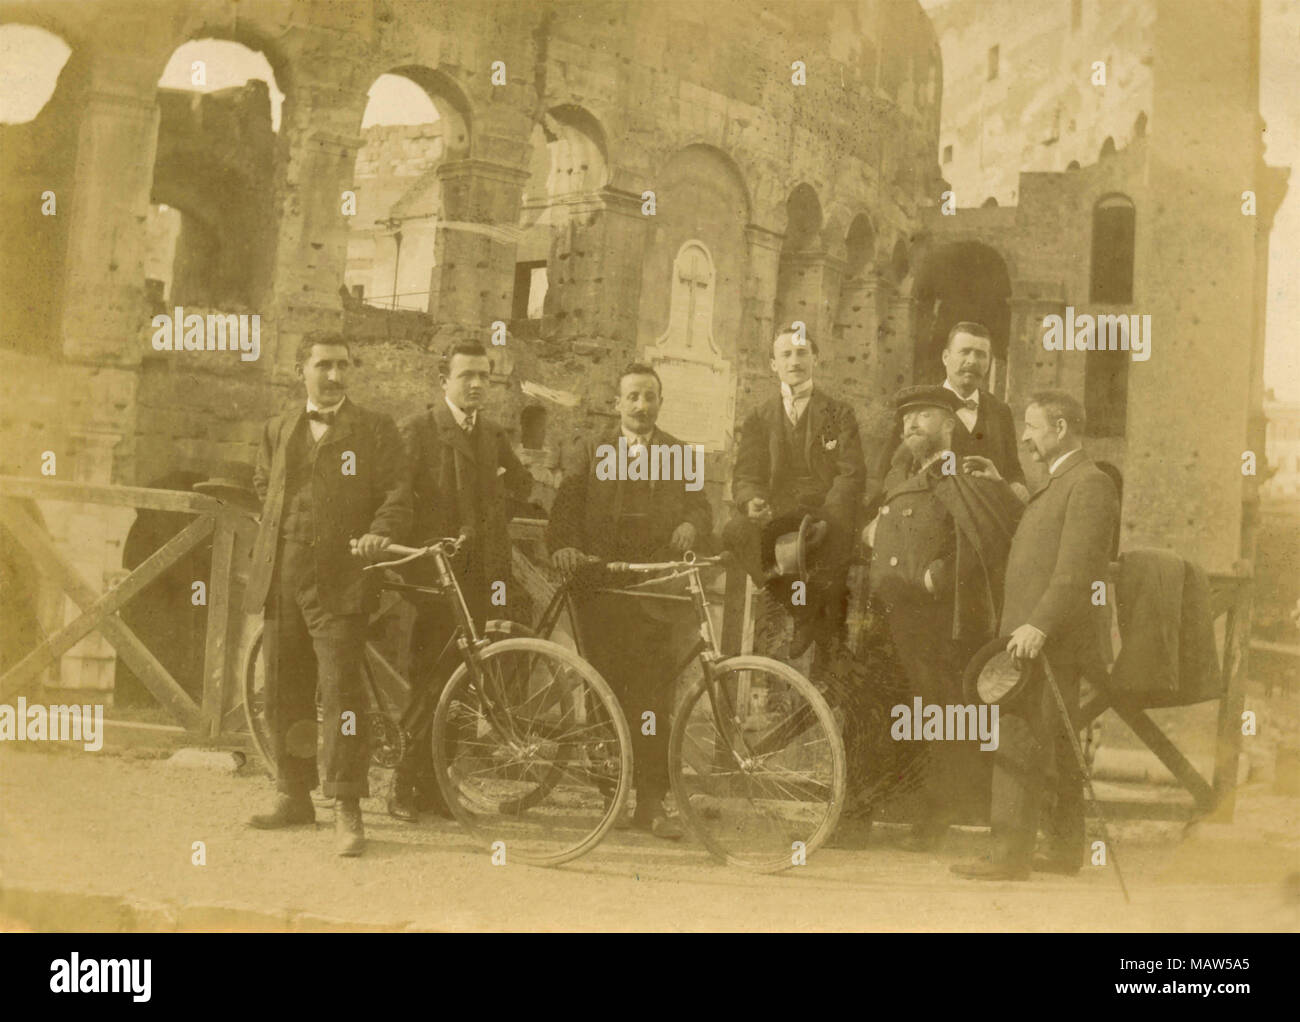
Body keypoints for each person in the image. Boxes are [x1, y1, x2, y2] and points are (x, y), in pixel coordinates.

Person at [245, 332, 411, 857]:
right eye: (323, 365)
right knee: (282, 689)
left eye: (343, 365)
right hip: (282, 575)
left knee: (342, 696)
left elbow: (397, 493)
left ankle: (347, 808)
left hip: (342, 577)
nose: (335, 375)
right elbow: (261, 483)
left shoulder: (376, 430)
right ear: (302, 370)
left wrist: (379, 531)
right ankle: (292, 795)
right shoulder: (277, 429)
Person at [952, 390, 1119, 880]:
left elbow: (1076, 569)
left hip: (1047, 637)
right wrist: (1005, 488)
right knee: (1060, 744)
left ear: (1061, 427)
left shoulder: (1089, 483)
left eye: (1032, 426)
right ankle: (1066, 849)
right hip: (1046, 635)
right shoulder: (1062, 482)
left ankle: (1007, 857)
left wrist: (1038, 624)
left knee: (1018, 738)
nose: (1024, 436)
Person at [548, 363, 713, 838]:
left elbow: (702, 507)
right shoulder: (592, 450)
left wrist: (692, 526)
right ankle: (611, 797)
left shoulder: (678, 454)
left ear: (660, 402)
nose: (641, 406)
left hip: (654, 590)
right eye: (633, 397)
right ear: (617, 404)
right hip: (602, 589)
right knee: (603, 693)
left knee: (651, 700)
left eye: (650, 397)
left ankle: (652, 804)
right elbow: (566, 508)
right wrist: (562, 545)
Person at [865, 386, 1021, 850]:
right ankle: (905, 807)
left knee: (943, 712)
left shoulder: (965, 473)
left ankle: (939, 817)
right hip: (898, 615)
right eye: (908, 417)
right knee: (909, 710)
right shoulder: (905, 476)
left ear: (950, 425)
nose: (912, 424)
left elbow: (984, 538)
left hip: (940, 618)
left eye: (925, 417)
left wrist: (941, 578)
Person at [388, 342, 534, 822]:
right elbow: (395, 498)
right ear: (443, 379)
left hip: (477, 574)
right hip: (431, 575)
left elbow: (523, 485)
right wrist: (426, 542)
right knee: (427, 681)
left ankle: (435, 787)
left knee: (460, 682)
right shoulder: (418, 430)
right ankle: (402, 788)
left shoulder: (491, 432)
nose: (476, 384)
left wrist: (492, 509)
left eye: (484, 377)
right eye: (467, 374)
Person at [723, 328, 865, 656]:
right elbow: (746, 473)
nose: (795, 361)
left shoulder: (838, 413)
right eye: (786, 354)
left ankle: (821, 626)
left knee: (830, 559)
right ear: (773, 364)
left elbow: (850, 475)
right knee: (734, 530)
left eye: (802, 353)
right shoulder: (760, 416)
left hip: (821, 513)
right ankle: (802, 610)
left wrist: (828, 519)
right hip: (776, 514)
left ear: (815, 358)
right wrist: (751, 500)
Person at [873, 322, 1027, 501]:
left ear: (988, 363)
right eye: (965, 352)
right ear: (946, 357)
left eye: (981, 355)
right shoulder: (918, 405)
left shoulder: (1000, 411)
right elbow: (891, 470)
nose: (972, 361)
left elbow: (1013, 470)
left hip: (985, 516)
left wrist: (1018, 485)